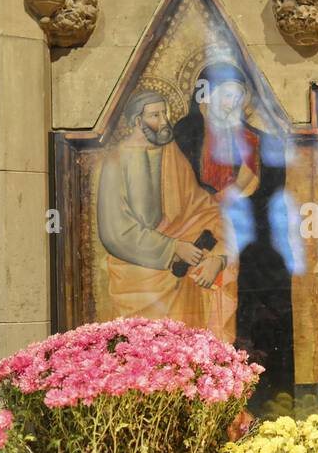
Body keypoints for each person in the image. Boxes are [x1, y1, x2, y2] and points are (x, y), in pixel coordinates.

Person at [174, 61, 295, 405]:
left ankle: (248, 403)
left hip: (246, 251)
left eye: (238, 95)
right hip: (196, 243)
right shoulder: (182, 138)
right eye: (224, 95)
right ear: (204, 98)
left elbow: (266, 203)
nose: (232, 103)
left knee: (242, 330)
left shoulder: (259, 143)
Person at [96, 90, 235, 340]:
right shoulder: (116, 161)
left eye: (165, 113)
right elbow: (115, 233)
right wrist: (172, 248)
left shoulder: (171, 153)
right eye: (155, 115)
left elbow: (202, 208)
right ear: (137, 121)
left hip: (180, 282)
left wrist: (219, 256)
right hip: (136, 278)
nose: (164, 121)